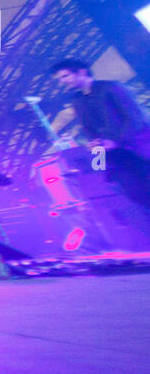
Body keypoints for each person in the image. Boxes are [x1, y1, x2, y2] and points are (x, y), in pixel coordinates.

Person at [52, 59, 150, 239]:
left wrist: (116, 141)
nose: (62, 81)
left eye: (65, 76)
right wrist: (99, 163)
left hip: (139, 152)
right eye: (60, 78)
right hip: (117, 160)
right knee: (138, 198)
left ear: (81, 72)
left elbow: (135, 118)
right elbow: (89, 131)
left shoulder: (111, 88)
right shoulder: (77, 101)